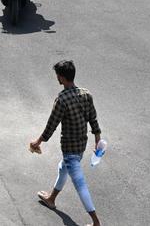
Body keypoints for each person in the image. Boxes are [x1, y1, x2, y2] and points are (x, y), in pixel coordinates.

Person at [31, 60, 103, 226]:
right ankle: (51, 198)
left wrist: (37, 142)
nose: (56, 77)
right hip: (81, 145)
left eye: (57, 75)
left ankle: (96, 222)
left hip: (70, 148)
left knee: (80, 184)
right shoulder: (86, 94)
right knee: (63, 168)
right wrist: (97, 138)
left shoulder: (62, 99)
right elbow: (93, 118)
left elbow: (51, 125)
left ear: (62, 77)